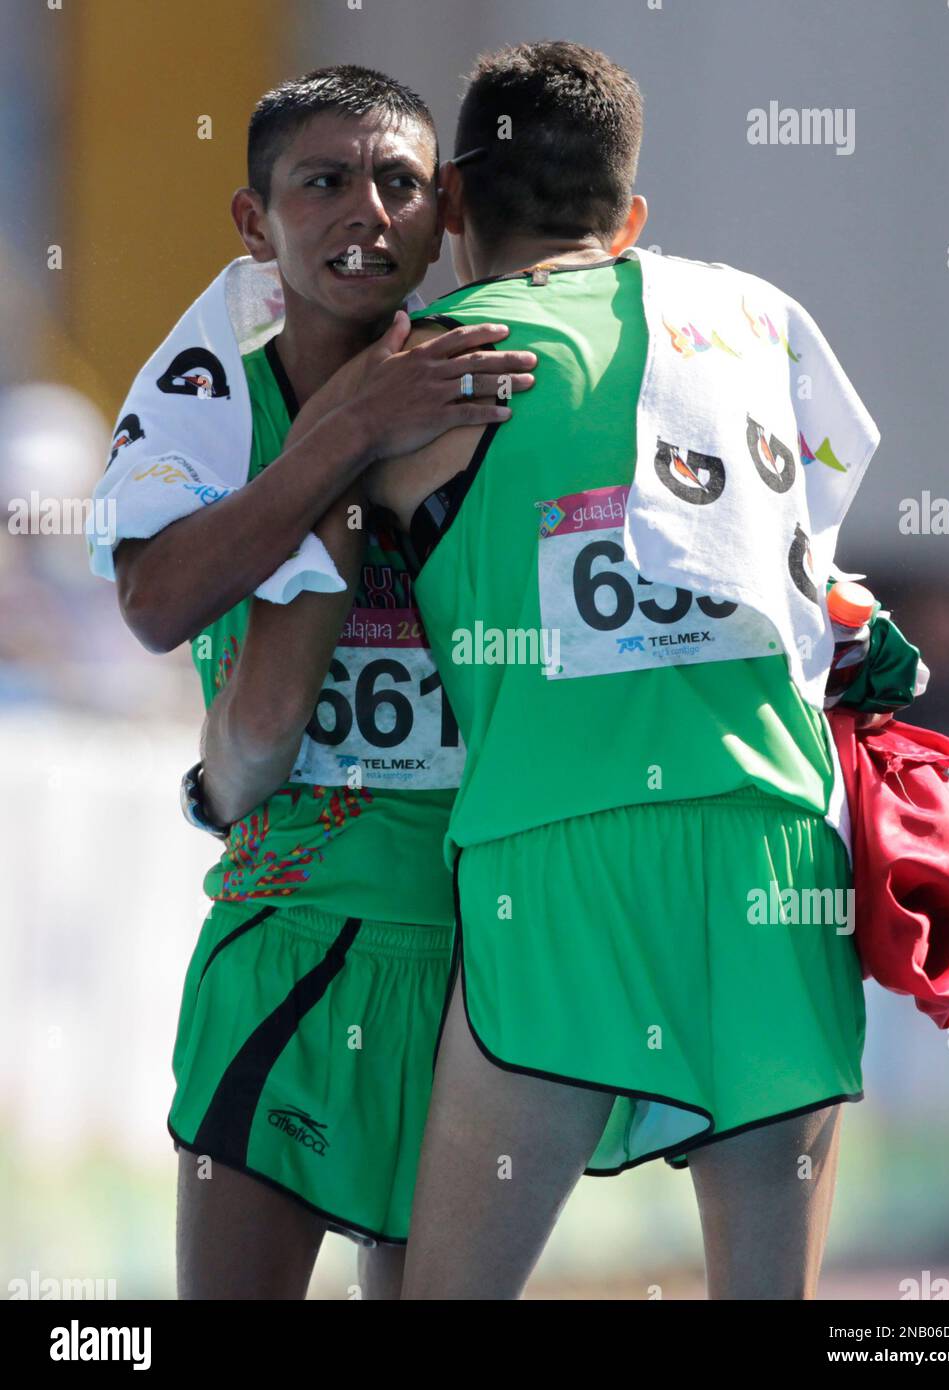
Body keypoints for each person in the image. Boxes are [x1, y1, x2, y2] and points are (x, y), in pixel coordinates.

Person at [363, 41, 922, 1300]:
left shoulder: (429, 363)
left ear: (451, 200)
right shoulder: (761, 316)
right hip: (772, 839)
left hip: (552, 850)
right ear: (633, 219)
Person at [88, 65, 535, 1300]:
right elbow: (155, 600)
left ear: (445, 214)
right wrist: (348, 428)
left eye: (398, 185)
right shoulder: (206, 382)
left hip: (474, 936)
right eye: (324, 183)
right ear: (255, 222)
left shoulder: (500, 372)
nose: (366, 215)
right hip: (289, 914)